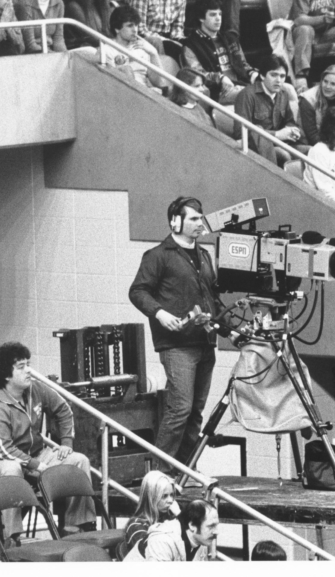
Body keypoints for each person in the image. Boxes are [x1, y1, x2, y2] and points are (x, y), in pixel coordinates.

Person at [129, 197, 221, 468]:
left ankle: (185, 468)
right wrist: (160, 313)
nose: (199, 223)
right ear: (175, 221)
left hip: (204, 341)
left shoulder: (204, 255)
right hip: (177, 345)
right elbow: (137, 291)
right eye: (193, 218)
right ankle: (160, 472)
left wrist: (222, 324)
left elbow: (212, 295)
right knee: (180, 408)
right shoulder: (159, 255)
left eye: (200, 217)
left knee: (195, 411)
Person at [0, 342, 96, 545]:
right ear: (6, 375)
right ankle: (11, 538)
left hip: (36, 453)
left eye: (28, 364)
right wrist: (35, 465)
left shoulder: (36, 389)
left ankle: (75, 528)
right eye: (21, 367)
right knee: (12, 469)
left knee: (79, 461)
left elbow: (64, 410)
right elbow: (4, 449)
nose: (28, 370)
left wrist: (66, 442)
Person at [181, 0, 257, 106]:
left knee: (285, 89)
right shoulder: (191, 45)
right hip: (219, 92)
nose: (218, 18)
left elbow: (243, 64)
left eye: (219, 14)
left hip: (242, 85)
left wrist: (253, 74)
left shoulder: (230, 39)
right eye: (212, 15)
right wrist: (220, 78)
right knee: (258, 95)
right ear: (201, 18)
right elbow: (196, 75)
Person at [233, 55, 305, 167]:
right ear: (262, 75)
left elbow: (289, 121)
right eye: (273, 75)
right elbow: (240, 133)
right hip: (257, 148)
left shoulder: (283, 95)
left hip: (280, 143)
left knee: (310, 151)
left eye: (282, 76)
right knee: (284, 155)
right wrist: (276, 135)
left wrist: (292, 130)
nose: (278, 80)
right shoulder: (246, 95)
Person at [97, 5, 167, 92]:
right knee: (126, 70)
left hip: (145, 95)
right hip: (123, 94)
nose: (135, 30)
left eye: (136, 25)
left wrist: (153, 53)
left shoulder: (142, 48)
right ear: (117, 29)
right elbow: (106, 83)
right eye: (130, 26)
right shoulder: (106, 49)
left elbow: (160, 83)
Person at [124, 499, 219, 562]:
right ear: (192, 526)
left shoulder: (200, 540)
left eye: (216, 525)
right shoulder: (162, 541)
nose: (216, 531)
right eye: (211, 526)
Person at [123, 470, 179, 552]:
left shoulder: (171, 518)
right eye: (164, 496)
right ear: (151, 497)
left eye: (172, 495)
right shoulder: (136, 524)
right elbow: (152, 551)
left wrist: (179, 516)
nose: (170, 500)